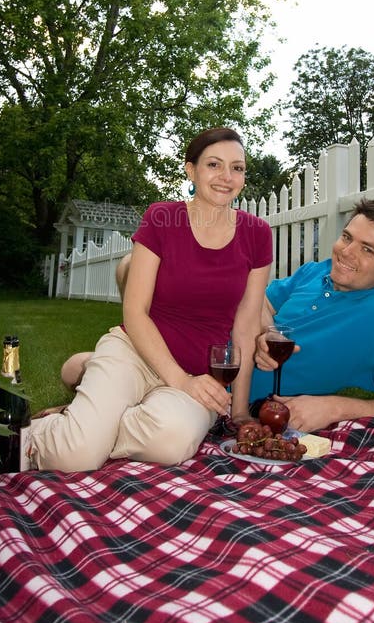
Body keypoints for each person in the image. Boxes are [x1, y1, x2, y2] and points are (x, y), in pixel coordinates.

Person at [29, 127, 273, 471]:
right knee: (75, 456)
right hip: (135, 353)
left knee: (172, 441)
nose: (226, 177)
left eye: (237, 168)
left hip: (200, 375)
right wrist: (178, 380)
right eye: (214, 164)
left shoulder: (257, 234)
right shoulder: (162, 218)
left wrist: (240, 412)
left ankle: (90, 423)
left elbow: (246, 328)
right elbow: (135, 310)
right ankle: (34, 437)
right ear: (191, 170)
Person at [250, 198, 374, 432]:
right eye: (347, 237)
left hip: (224, 399)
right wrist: (267, 334)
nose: (346, 252)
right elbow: (262, 301)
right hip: (208, 350)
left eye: (367, 249)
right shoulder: (315, 271)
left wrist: (336, 408)